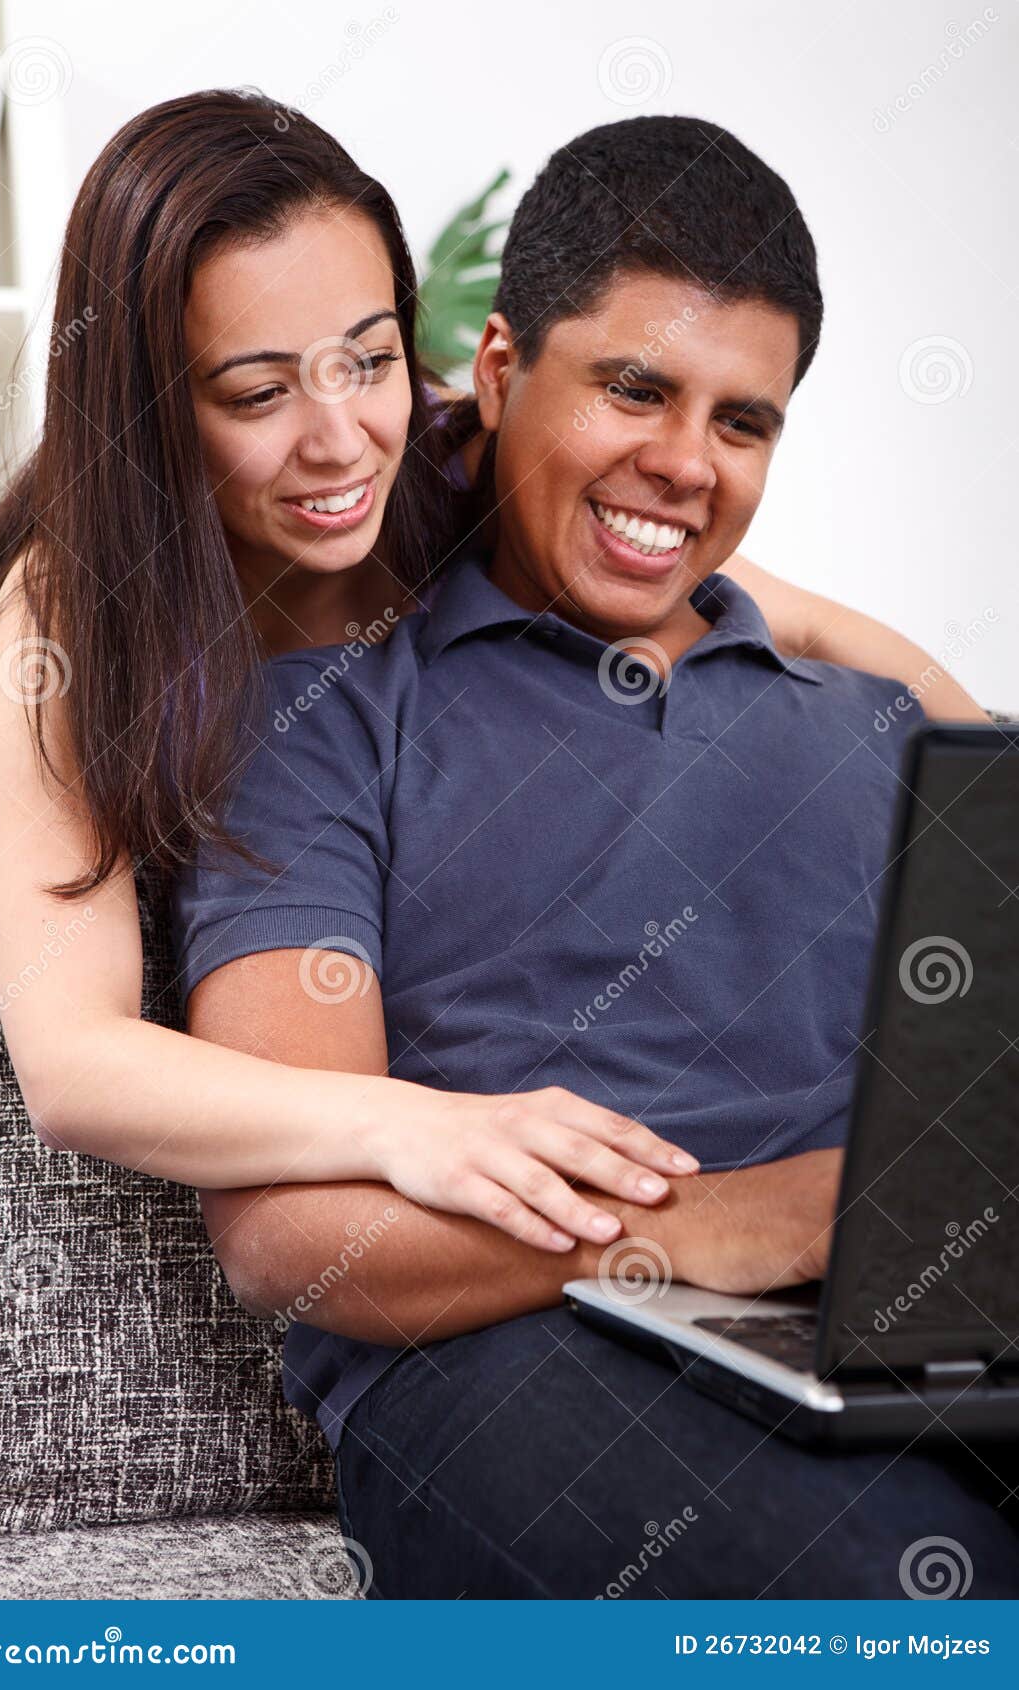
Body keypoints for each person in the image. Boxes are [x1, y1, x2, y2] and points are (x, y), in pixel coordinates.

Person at [173, 115, 1017, 1599]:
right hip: (499, 1365)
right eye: (633, 388)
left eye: (741, 422)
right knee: (894, 1587)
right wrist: (706, 1224)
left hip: (880, 1330)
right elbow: (294, 1238)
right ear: (496, 370)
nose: (683, 465)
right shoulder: (323, 715)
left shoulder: (879, 726)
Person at [0, 90, 984, 1244]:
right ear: (152, 406)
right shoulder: (62, 607)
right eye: (255, 392)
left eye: (371, 359)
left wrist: (983, 768)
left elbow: (801, 621)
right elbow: (73, 1067)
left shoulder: (446, 461)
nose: (341, 439)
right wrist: (408, 1124)